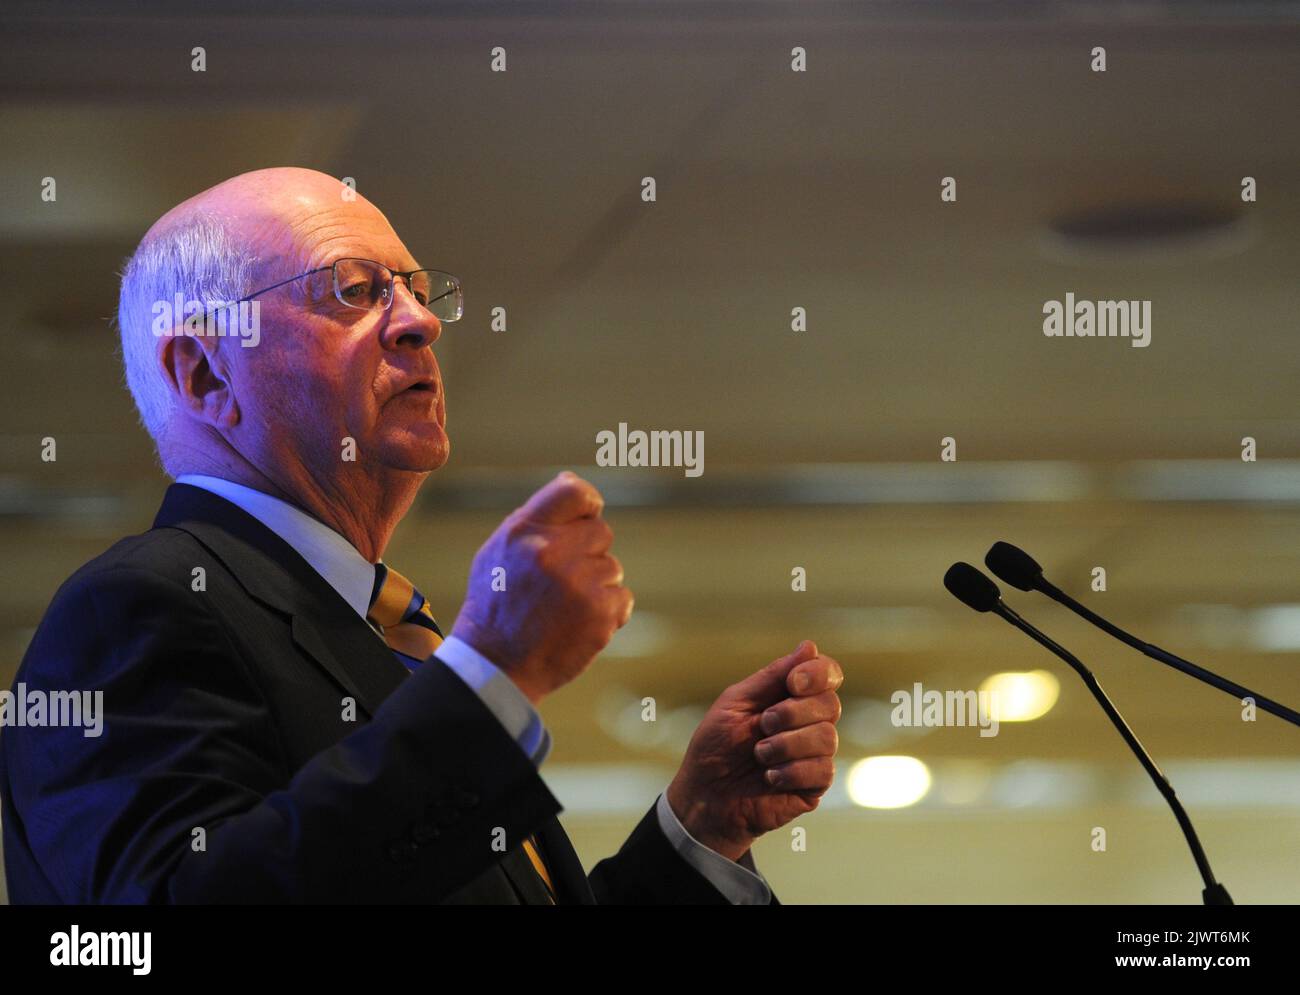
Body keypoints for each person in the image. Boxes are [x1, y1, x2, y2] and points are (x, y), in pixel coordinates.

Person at [0, 168, 842, 904]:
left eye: (414, 288)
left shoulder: (383, 635)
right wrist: (492, 675)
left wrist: (700, 827)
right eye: (354, 291)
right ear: (205, 372)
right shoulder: (140, 607)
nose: (420, 322)